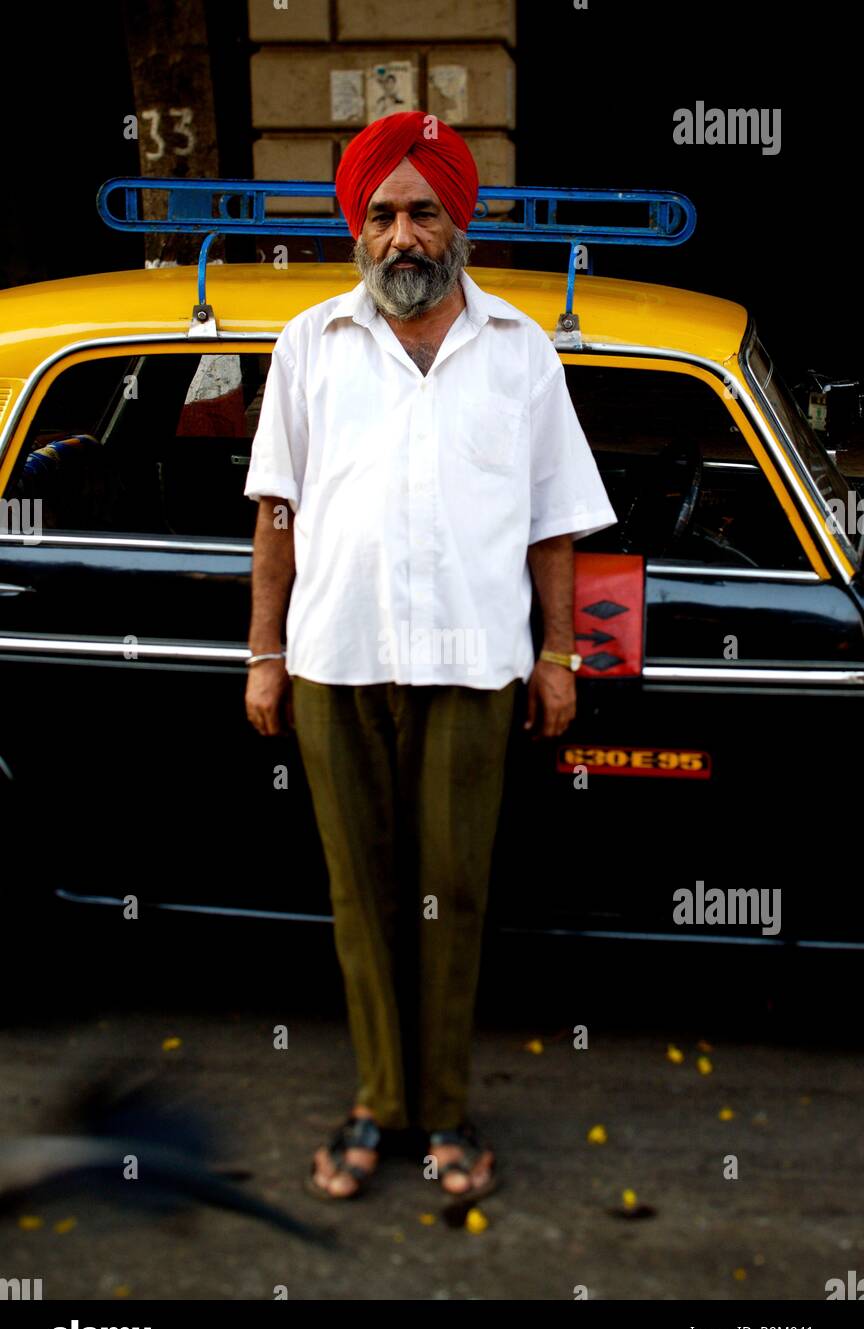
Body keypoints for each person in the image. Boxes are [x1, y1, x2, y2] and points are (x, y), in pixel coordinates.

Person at [243, 110, 616, 1203]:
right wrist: (264, 653)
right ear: (357, 227)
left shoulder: (520, 351)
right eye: (382, 213)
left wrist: (559, 653)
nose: (402, 234)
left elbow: (555, 522)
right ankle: (377, 1103)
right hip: (334, 659)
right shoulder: (309, 344)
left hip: (473, 664)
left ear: (460, 221)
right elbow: (277, 513)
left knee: (452, 892)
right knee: (360, 894)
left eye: (423, 211)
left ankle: (445, 1108)